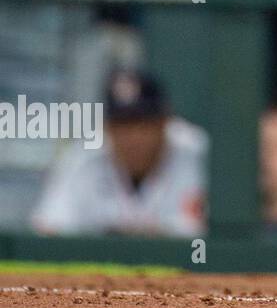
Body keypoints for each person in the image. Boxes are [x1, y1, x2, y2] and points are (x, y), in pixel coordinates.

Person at [31, 69, 208, 237]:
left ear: (164, 122)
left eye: (143, 123)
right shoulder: (84, 157)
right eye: (122, 124)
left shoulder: (200, 154)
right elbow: (49, 228)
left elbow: (218, 239)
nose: (133, 137)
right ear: (107, 127)